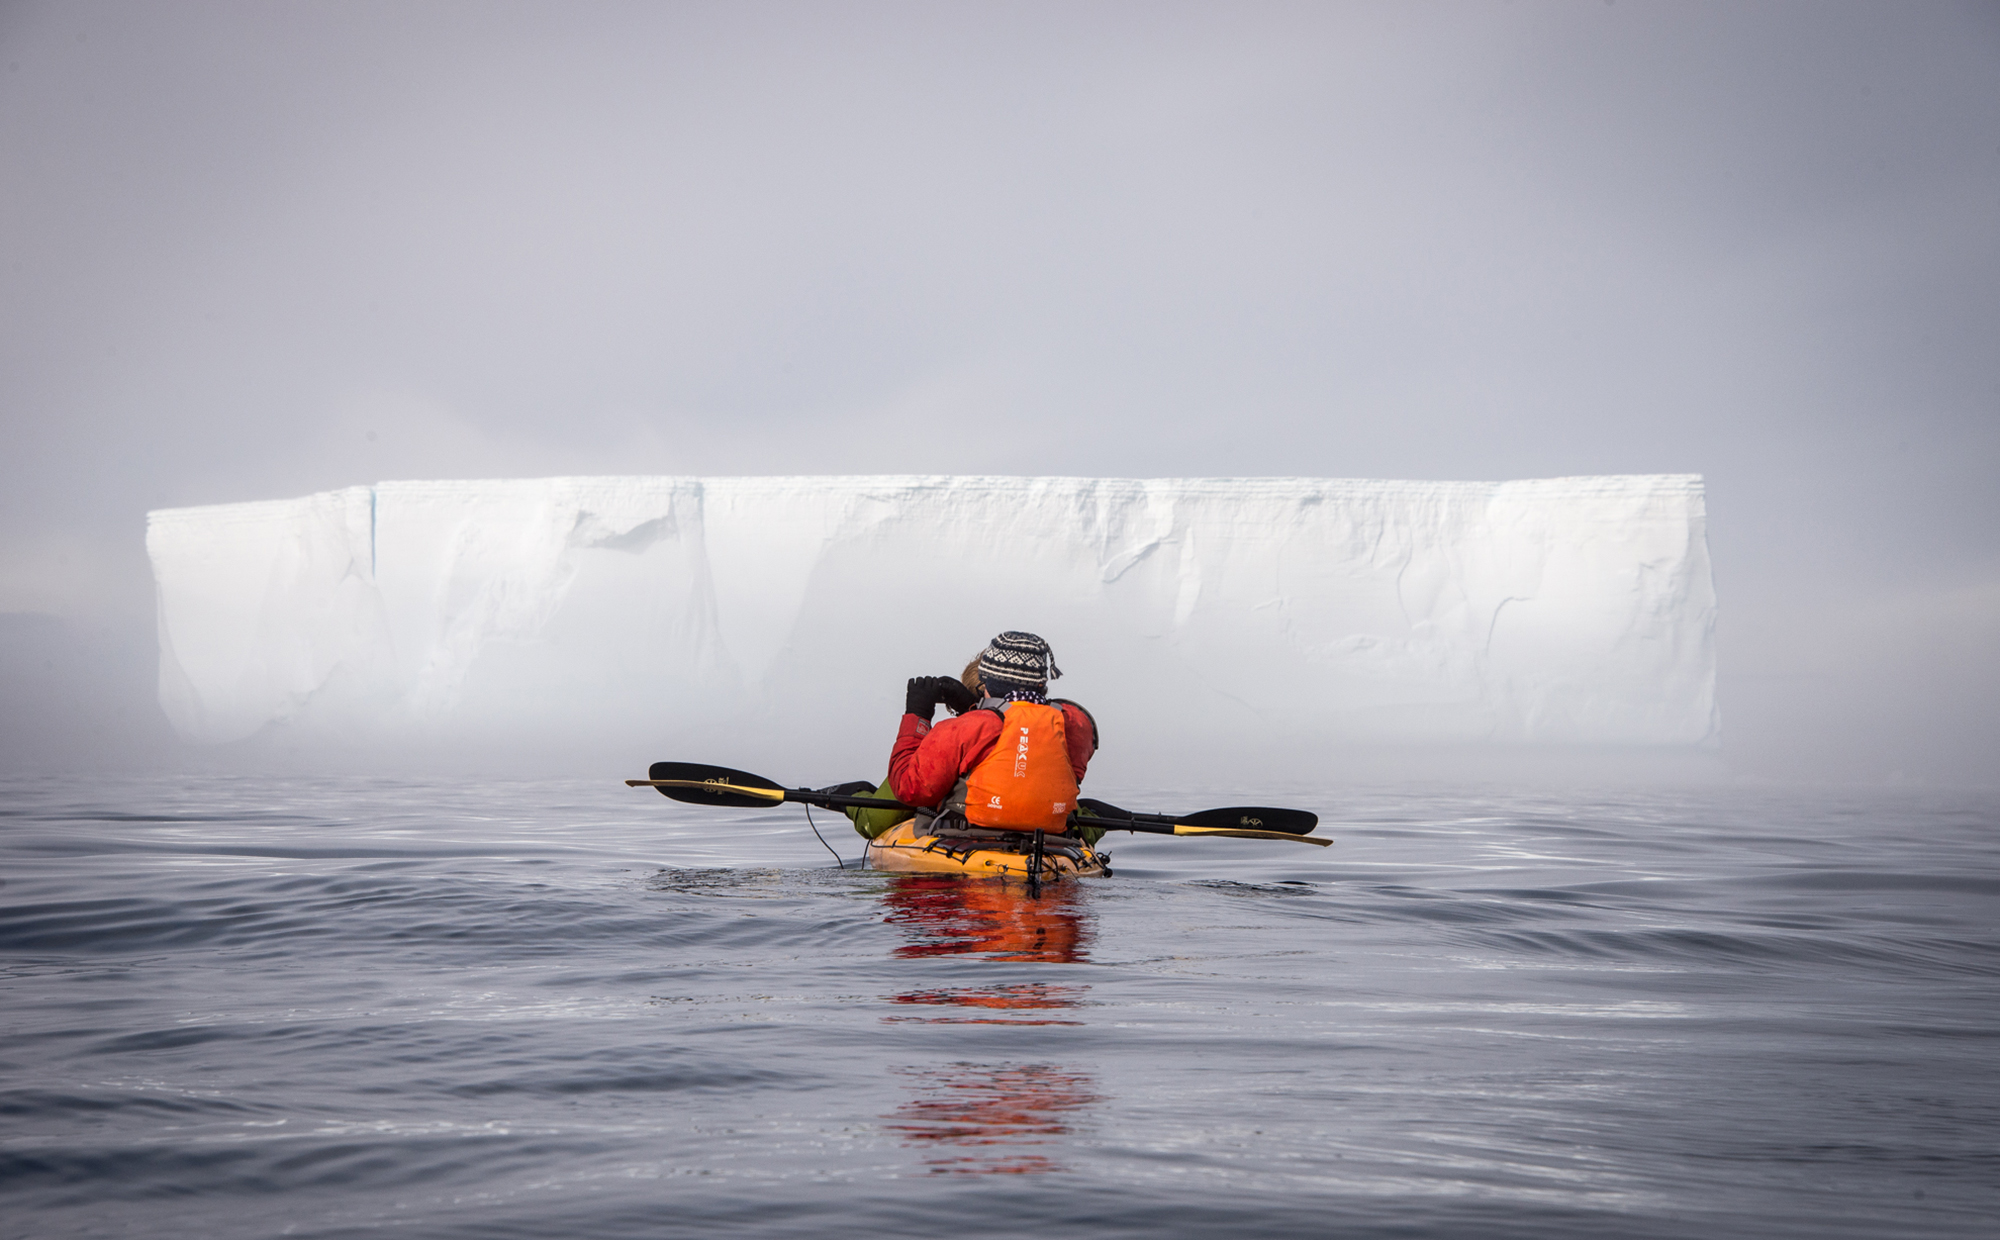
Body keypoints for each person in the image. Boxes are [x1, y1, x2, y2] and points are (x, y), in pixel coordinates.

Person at [845, 631, 1100, 841]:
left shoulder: (961, 731)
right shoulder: (1068, 726)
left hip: (966, 845)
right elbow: (1022, 735)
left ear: (986, 686)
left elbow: (904, 793)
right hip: (1050, 842)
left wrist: (917, 715)